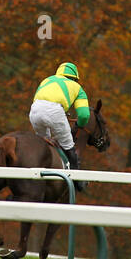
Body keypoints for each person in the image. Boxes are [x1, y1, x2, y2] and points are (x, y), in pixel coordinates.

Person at [30, 61, 90, 190]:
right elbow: (84, 115)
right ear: (75, 78)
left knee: (44, 144)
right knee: (68, 146)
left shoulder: (47, 80)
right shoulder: (77, 87)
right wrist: (79, 125)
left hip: (34, 110)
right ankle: (77, 181)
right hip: (54, 112)